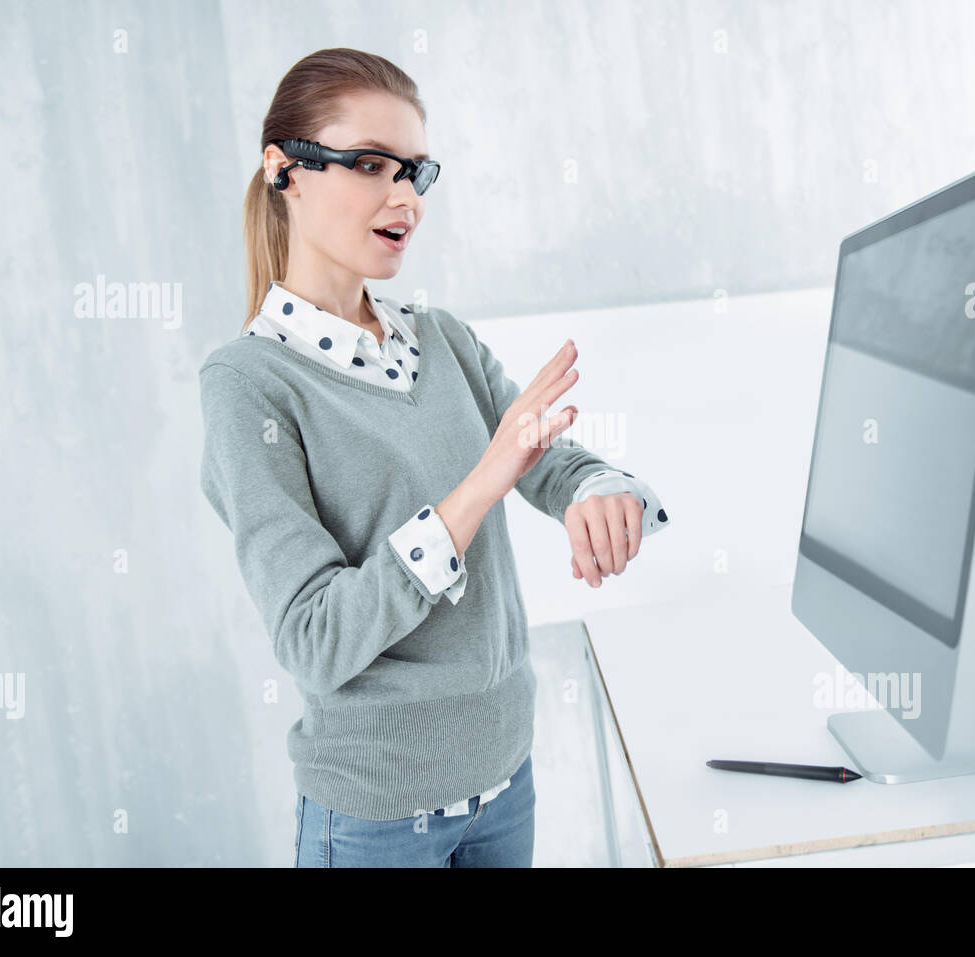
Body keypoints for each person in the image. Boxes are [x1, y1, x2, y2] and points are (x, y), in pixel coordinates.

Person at [198, 47, 670, 867]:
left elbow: (546, 460)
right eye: (370, 164)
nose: (404, 197)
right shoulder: (249, 384)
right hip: (375, 821)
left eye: (415, 171)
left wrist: (600, 488)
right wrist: (481, 486)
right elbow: (315, 635)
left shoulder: (441, 337)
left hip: (504, 783)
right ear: (286, 172)